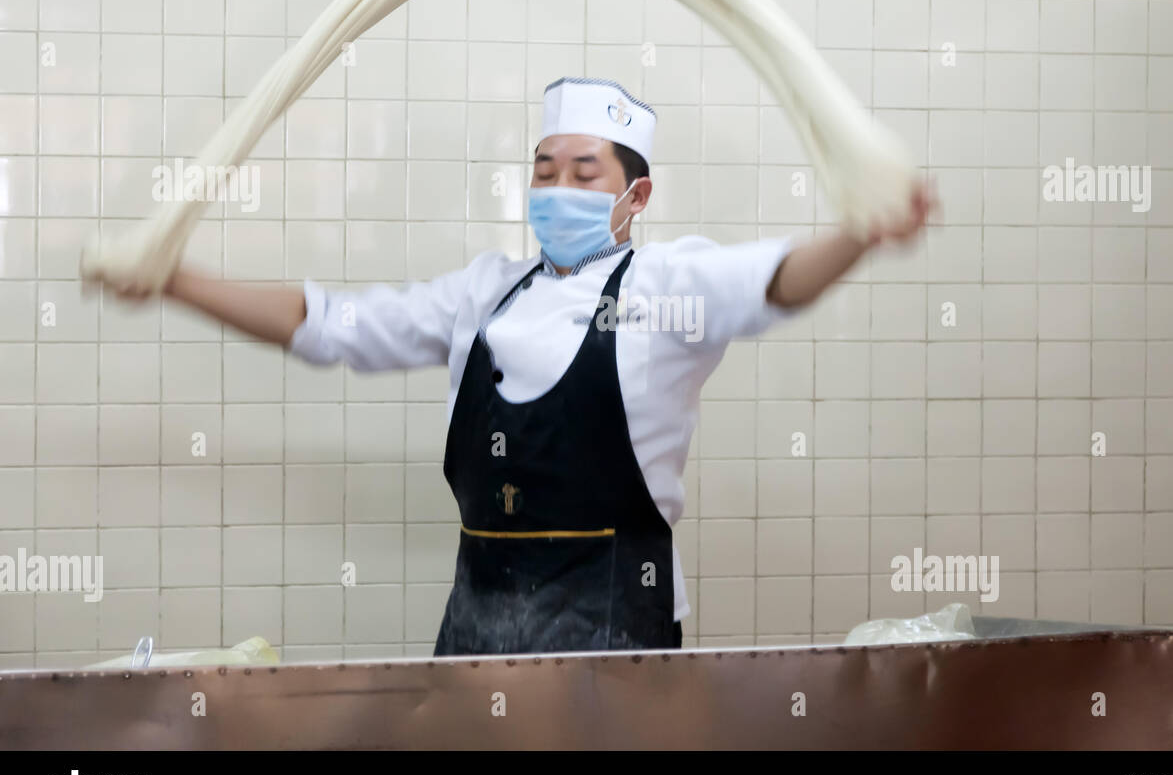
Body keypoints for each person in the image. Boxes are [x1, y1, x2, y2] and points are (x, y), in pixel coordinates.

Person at [117, 76, 936, 655]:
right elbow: (333, 324)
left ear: (636, 197)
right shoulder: (484, 292)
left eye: (586, 173)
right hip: (478, 622)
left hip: (618, 627)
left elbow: (778, 279)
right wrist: (177, 282)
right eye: (545, 171)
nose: (558, 188)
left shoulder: (666, 284)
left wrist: (861, 232)